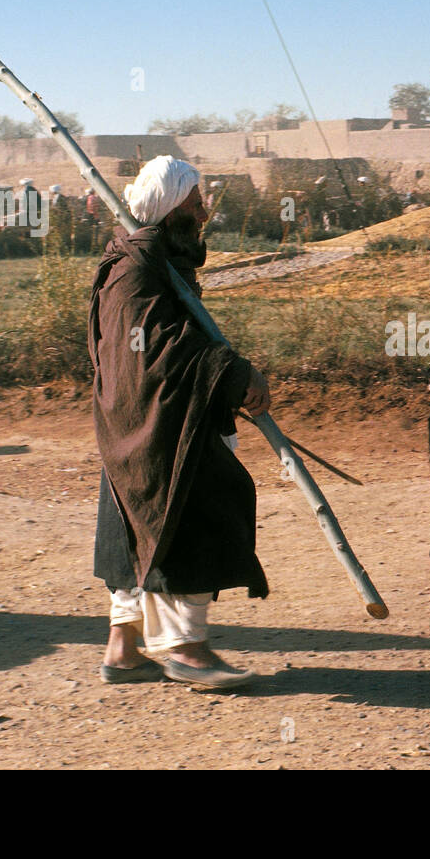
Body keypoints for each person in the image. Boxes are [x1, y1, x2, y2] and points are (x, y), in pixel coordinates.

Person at [90, 155, 272, 689]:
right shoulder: (136, 268)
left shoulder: (159, 260)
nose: (204, 212)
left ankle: (123, 648)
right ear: (171, 214)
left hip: (141, 426)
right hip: (156, 432)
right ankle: (187, 650)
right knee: (194, 517)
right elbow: (155, 351)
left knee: (134, 532)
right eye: (195, 206)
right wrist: (234, 373)